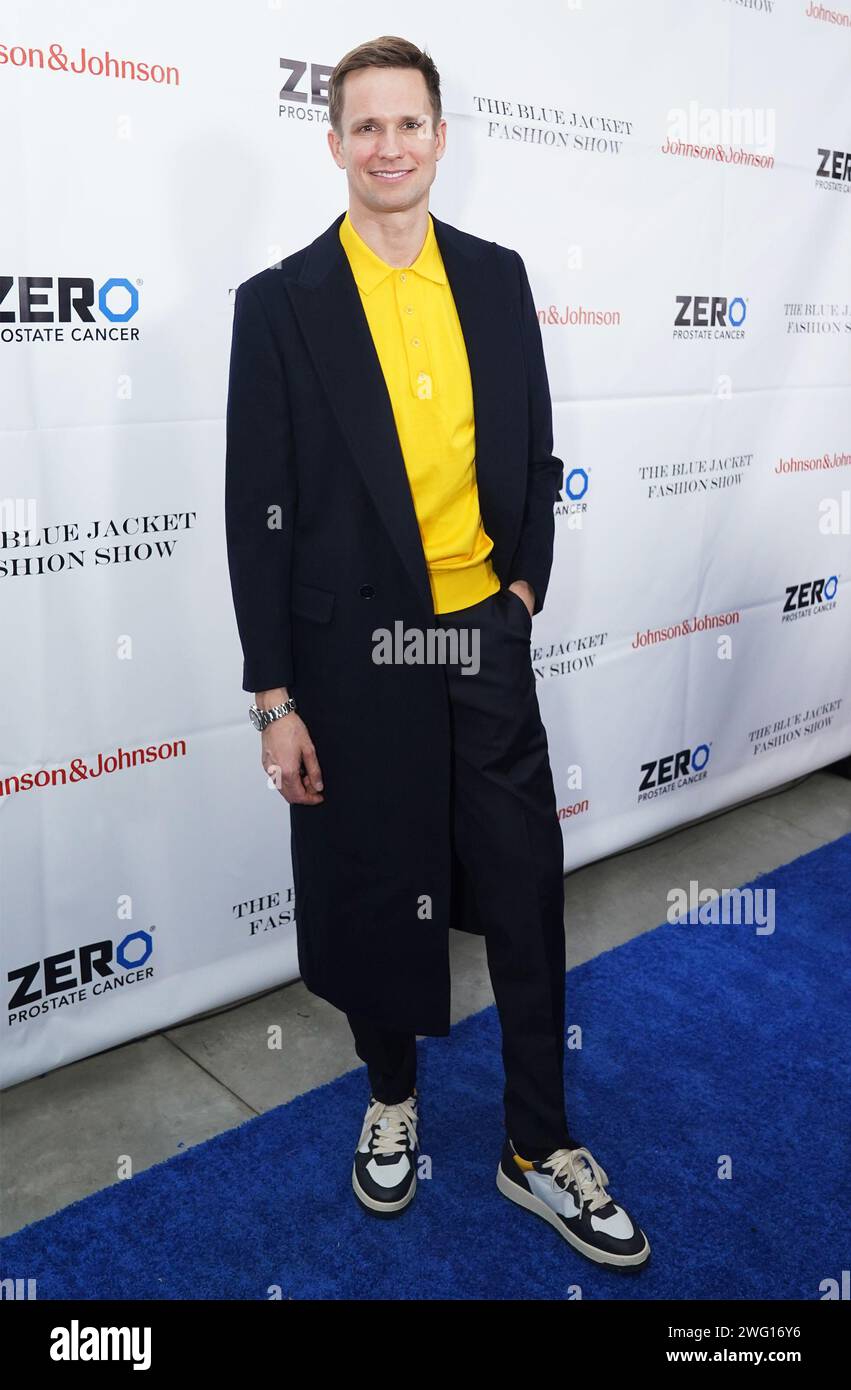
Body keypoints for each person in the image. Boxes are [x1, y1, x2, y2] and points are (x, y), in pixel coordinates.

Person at [225, 34, 649, 1270]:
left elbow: (530, 452)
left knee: (521, 885)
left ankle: (536, 1145)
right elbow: (260, 509)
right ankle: (391, 1099)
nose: (389, 146)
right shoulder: (280, 304)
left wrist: (518, 587)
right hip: (348, 656)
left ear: (440, 136)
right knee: (375, 882)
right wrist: (271, 698)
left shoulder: (497, 276)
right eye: (365, 127)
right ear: (333, 143)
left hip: (479, 640)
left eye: (408, 125)